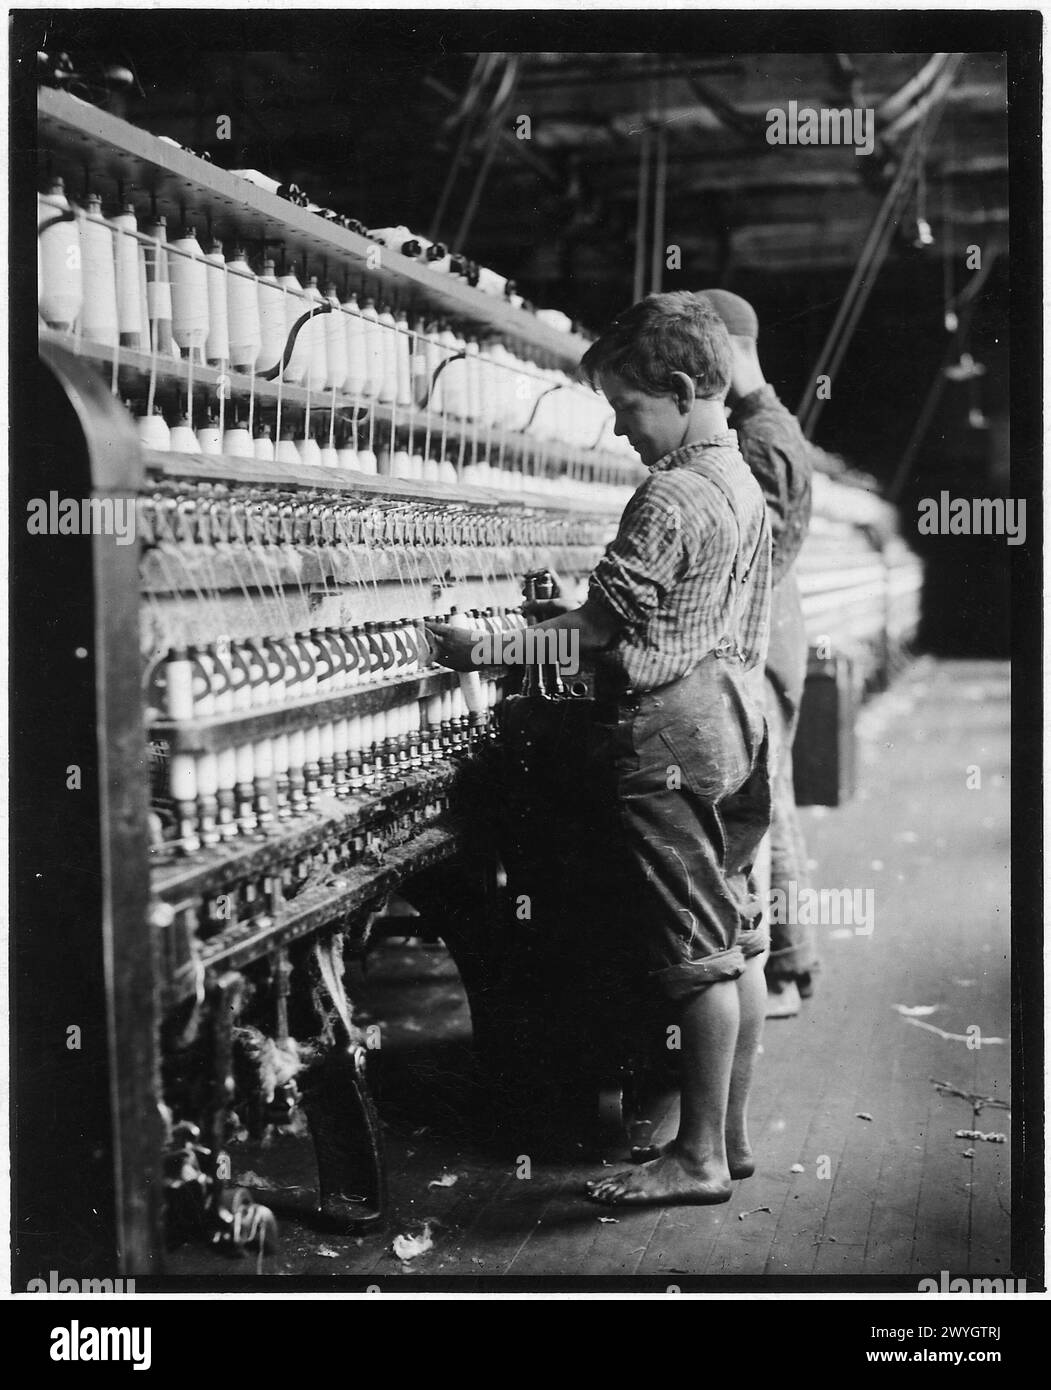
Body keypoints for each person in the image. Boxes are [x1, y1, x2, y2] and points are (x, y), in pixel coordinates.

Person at [428, 292, 772, 1206]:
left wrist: (485, 649)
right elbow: (685, 615)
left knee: (693, 954)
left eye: (628, 410)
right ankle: (725, 1139)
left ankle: (693, 1161)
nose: (622, 433)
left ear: (683, 386)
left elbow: (587, 640)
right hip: (735, 715)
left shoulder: (671, 492)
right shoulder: (739, 477)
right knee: (734, 937)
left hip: (669, 735)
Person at [694, 289, 818, 1018]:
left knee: (761, 812)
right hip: (769, 640)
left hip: (761, 646)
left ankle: (773, 971)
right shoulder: (761, 424)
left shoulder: (763, 436)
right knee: (774, 808)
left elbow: (754, 557)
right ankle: (785, 969)